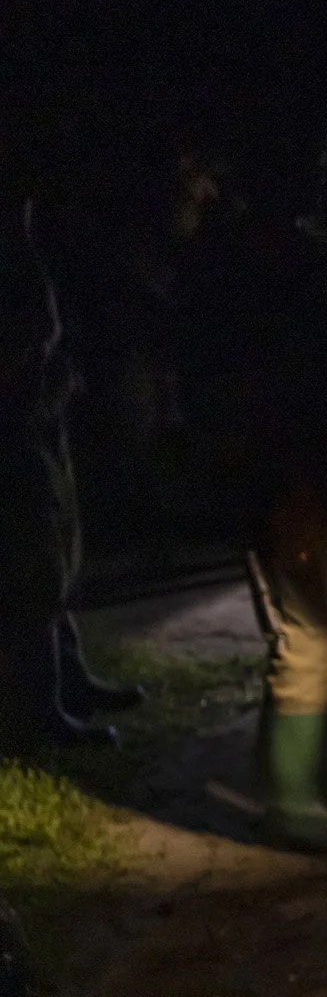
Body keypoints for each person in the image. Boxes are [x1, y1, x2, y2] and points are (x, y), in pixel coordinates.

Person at [171, 152, 327, 851]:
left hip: (324, 455)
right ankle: (291, 799)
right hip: (282, 468)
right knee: (309, 633)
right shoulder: (235, 260)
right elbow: (239, 382)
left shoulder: (297, 245)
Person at [1, 178, 141, 749]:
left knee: (56, 544)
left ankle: (69, 681)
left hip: (34, 412)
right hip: (14, 423)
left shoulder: (19, 237)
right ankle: (40, 709)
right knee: (31, 561)